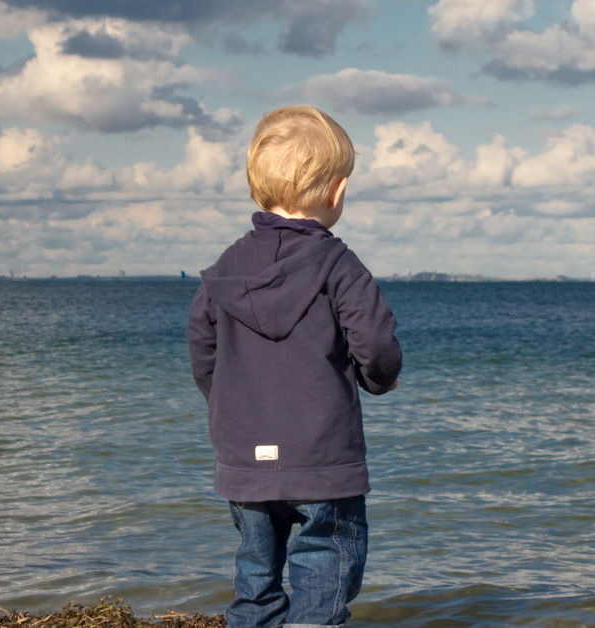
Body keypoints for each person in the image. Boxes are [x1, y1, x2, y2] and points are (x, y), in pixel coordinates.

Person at [187, 105, 402, 627]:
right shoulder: (338, 265)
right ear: (337, 191)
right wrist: (376, 379)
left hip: (244, 459)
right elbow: (375, 343)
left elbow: (202, 350)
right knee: (325, 570)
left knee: (255, 578)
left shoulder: (223, 270)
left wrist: (229, 404)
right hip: (323, 459)